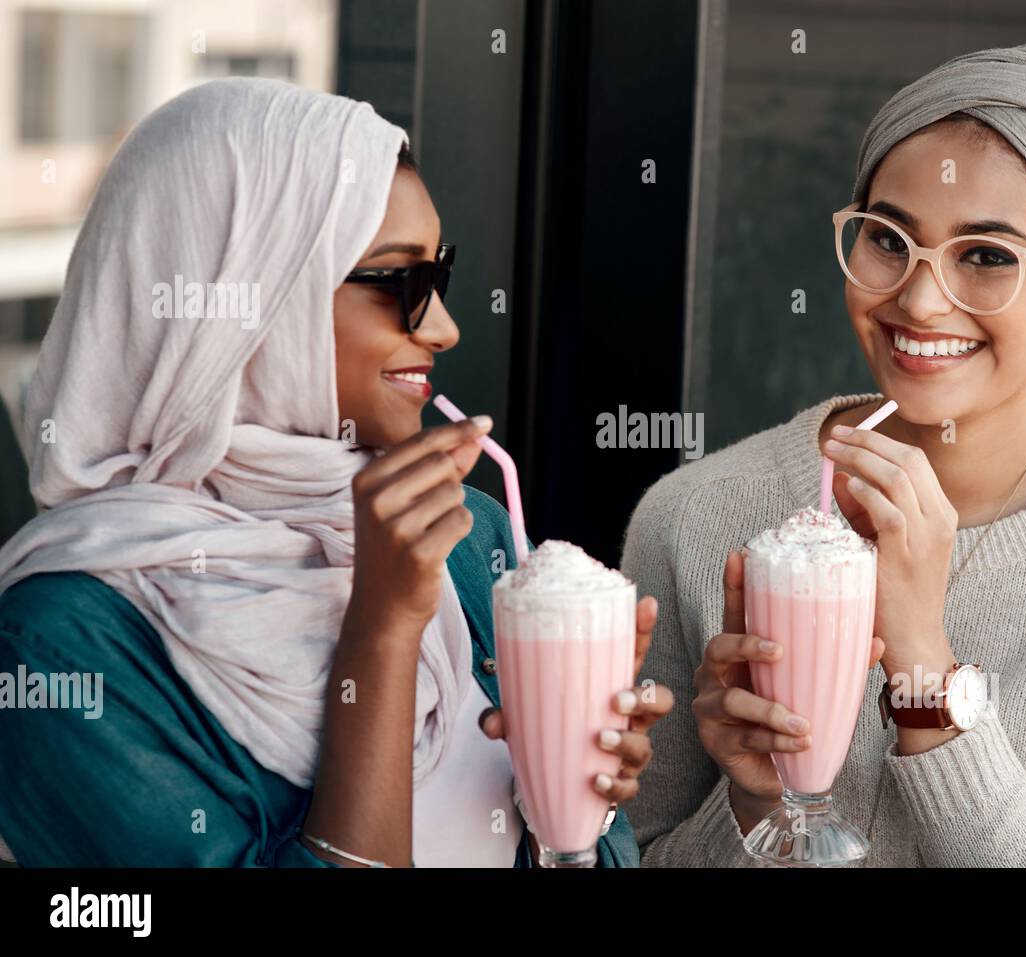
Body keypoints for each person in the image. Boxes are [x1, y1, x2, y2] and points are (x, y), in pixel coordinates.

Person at [0, 77, 671, 867]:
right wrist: (381, 634)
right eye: (399, 282)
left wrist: (573, 820)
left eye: (441, 278)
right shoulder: (51, 649)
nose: (445, 328)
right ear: (237, 300)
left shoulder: (466, 532)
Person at [623, 43, 1026, 867]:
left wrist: (924, 667)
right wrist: (753, 805)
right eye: (889, 239)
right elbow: (629, 856)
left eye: (988, 256)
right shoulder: (696, 514)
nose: (920, 300)